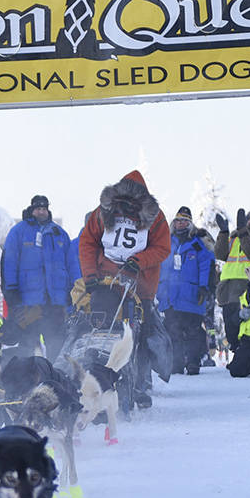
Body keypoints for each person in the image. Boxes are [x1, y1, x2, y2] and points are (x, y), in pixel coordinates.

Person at [79, 171, 171, 407]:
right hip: (105, 281)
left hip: (141, 286)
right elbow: (88, 242)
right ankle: (92, 376)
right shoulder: (103, 212)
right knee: (98, 327)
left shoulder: (156, 218)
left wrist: (139, 261)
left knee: (141, 335)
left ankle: (139, 384)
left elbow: (162, 248)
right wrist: (90, 275)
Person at [3, 194, 75, 355]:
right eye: (38, 208)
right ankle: (27, 379)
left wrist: (73, 291)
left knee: (57, 346)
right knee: (28, 346)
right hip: (29, 302)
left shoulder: (59, 234)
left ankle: (54, 377)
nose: (41, 212)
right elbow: (9, 262)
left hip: (55, 303)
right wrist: (11, 291)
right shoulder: (19, 231)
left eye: (44, 208)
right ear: (32, 209)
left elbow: (71, 264)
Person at [157, 207, 215, 375]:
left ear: (190, 224)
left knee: (193, 331)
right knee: (172, 330)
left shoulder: (197, 243)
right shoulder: (166, 243)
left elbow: (206, 265)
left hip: (191, 295)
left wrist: (204, 287)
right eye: (177, 220)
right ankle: (176, 364)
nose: (180, 223)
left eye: (184, 221)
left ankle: (193, 362)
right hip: (170, 296)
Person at [214, 207, 250, 352]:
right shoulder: (234, 238)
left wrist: (242, 231)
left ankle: (245, 350)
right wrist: (223, 232)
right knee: (229, 321)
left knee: (243, 319)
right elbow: (220, 254)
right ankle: (236, 349)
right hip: (227, 285)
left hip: (246, 285)